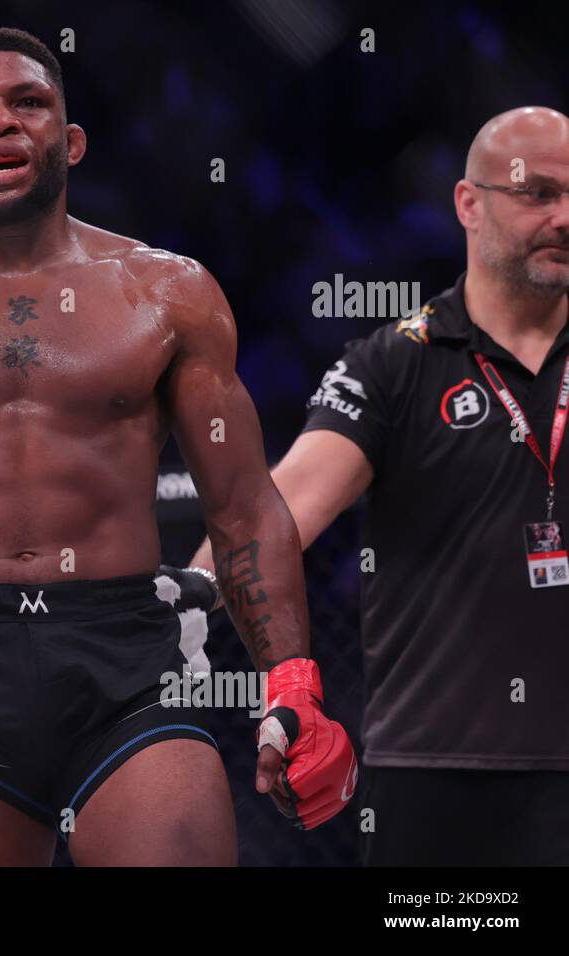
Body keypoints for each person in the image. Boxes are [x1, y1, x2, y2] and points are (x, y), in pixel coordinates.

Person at [0, 28, 356, 866]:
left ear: (70, 140)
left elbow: (243, 505)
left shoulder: (167, 293)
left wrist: (293, 679)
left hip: (126, 658)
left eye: (27, 103)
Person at [189, 106, 569, 865]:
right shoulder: (392, 363)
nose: (564, 218)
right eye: (539, 194)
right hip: (435, 779)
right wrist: (176, 617)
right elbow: (280, 511)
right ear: (469, 203)